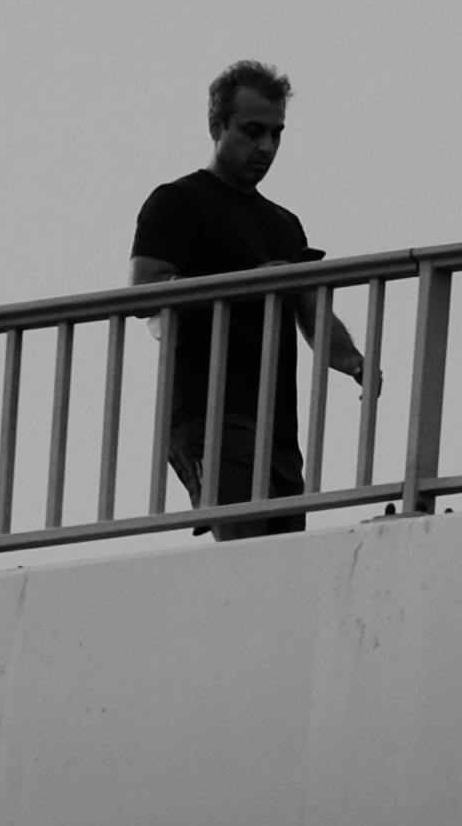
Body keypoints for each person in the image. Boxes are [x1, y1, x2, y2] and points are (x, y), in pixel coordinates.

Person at [131, 63, 364, 528]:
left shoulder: (284, 223)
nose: (267, 147)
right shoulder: (178, 201)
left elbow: (311, 310)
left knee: (280, 560)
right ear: (217, 126)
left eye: (276, 133)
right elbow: (144, 294)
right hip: (209, 411)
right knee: (244, 548)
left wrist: (353, 360)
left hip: (276, 427)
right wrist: (246, 281)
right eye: (253, 131)